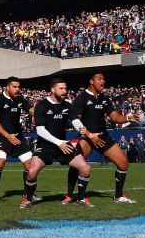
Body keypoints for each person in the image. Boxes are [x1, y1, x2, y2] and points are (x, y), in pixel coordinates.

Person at [22, 77, 95, 208]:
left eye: (65, 88)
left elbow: (75, 121)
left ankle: (81, 198)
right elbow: (40, 130)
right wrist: (58, 143)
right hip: (46, 145)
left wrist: (81, 128)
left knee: (85, 168)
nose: (64, 91)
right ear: (52, 89)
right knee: (31, 172)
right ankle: (28, 200)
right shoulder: (42, 105)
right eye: (61, 88)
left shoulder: (68, 105)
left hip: (63, 145)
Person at [0, 77, 31, 201]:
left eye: (19, 87)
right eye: (14, 87)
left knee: (30, 166)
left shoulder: (20, 99)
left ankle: (28, 193)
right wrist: (8, 136)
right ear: (7, 87)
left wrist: (39, 111)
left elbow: (31, 110)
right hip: (3, 137)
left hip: (18, 137)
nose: (17, 89)